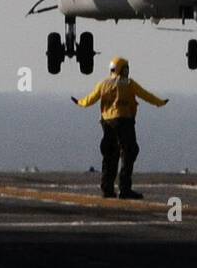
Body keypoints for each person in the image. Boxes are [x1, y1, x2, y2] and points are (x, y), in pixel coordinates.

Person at [72, 57, 168, 199]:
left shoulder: (103, 84)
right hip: (124, 121)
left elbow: (90, 99)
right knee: (129, 152)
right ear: (122, 69)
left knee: (110, 155)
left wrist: (79, 102)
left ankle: (107, 189)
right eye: (126, 68)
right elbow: (145, 95)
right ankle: (124, 189)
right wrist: (159, 102)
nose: (127, 71)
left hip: (107, 123)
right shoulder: (128, 83)